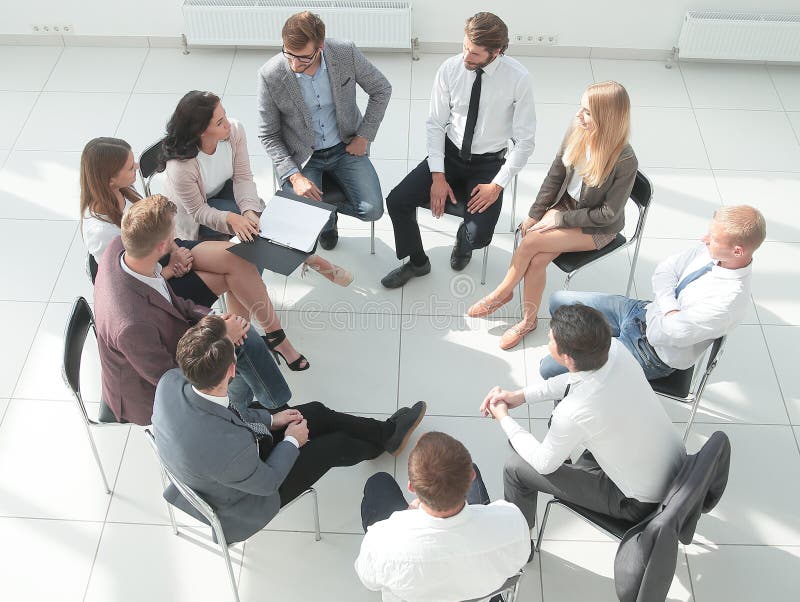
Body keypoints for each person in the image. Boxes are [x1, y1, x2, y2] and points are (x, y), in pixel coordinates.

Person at [151, 315, 427, 544]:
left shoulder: (171, 382)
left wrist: (272, 420)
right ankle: (380, 443)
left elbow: (227, 410)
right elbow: (268, 481)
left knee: (315, 412)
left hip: (223, 461)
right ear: (232, 371)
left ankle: (386, 435)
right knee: (334, 446)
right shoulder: (231, 447)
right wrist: (292, 442)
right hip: (251, 496)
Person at [79, 137, 309, 371]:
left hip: (165, 249)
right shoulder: (99, 231)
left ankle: (268, 339)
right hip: (156, 283)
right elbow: (124, 281)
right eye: (129, 167)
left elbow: (155, 227)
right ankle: (244, 347)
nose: (136, 167)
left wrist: (176, 249)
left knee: (241, 259)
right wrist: (168, 270)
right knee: (233, 278)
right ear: (109, 180)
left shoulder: (123, 190)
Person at [481, 304, 685, 531]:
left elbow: (542, 464)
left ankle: (517, 545)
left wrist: (504, 418)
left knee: (516, 468)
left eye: (550, 340)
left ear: (567, 358)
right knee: (563, 410)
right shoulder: (615, 350)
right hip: (671, 463)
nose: (548, 340)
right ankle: (560, 451)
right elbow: (572, 381)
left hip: (637, 501)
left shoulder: (573, 412)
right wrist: (520, 396)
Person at [93, 194, 292, 425]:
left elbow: (171, 299)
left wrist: (214, 320)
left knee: (243, 333)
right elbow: (171, 378)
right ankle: (263, 413)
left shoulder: (124, 248)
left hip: (167, 340)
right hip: (153, 390)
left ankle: (258, 407)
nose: (176, 236)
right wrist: (221, 339)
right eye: (172, 233)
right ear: (160, 247)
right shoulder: (131, 326)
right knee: (238, 342)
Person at [468, 81, 637, 350]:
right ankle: (528, 321)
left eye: (588, 112)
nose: (579, 115)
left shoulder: (625, 159)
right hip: (567, 205)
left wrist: (558, 220)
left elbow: (607, 214)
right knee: (536, 262)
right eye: (581, 108)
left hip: (598, 226)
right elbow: (556, 174)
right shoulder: (577, 128)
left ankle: (503, 292)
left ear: (608, 118)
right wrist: (536, 213)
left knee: (532, 243)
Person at [381, 12, 536, 289]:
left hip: (488, 165)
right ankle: (417, 262)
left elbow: (525, 142)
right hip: (450, 156)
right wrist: (438, 177)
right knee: (397, 201)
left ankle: (463, 242)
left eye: (475, 54)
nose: (466, 57)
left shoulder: (518, 78)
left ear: (496, 52)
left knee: (479, 236)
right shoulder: (450, 68)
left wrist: (497, 186)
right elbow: (435, 124)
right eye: (465, 47)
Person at [539, 205, 766, 380]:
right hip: (642, 311)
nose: (704, 240)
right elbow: (664, 270)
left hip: (650, 352)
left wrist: (664, 305)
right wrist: (670, 309)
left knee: (549, 368)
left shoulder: (729, 302)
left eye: (713, 239)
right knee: (559, 301)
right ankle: (586, 351)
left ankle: (577, 388)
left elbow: (659, 335)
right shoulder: (713, 251)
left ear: (738, 251)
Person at [161, 91, 352, 287]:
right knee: (254, 229)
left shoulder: (234, 130)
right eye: (219, 123)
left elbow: (243, 177)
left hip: (224, 190)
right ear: (200, 131)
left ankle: (257, 289)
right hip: (195, 216)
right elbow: (199, 212)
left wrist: (249, 210)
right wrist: (232, 218)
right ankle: (307, 260)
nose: (227, 123)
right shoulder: (180, 167)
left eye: (224, 115)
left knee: (253, 223)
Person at [257, 11, 390, 250]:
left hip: (345, 147)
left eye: (304, 58)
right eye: (289, 54)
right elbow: (268, 134)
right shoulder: (270, 74)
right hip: (302, 158)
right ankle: (326, 220)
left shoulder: (345, 52)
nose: (295, 65)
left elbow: (381, 89)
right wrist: (294, 176)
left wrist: (364, 135)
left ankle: (326, 212)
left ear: (321, 45)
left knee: (373, 210)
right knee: (301, 217)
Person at [355, 432, 531, 602]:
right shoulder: (512, 521)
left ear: (411, 487)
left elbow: (369, 582)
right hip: (481, 591)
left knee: (379, 482)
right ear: (471, 478)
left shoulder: (382, 542)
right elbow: (520, 559)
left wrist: (407, 516)